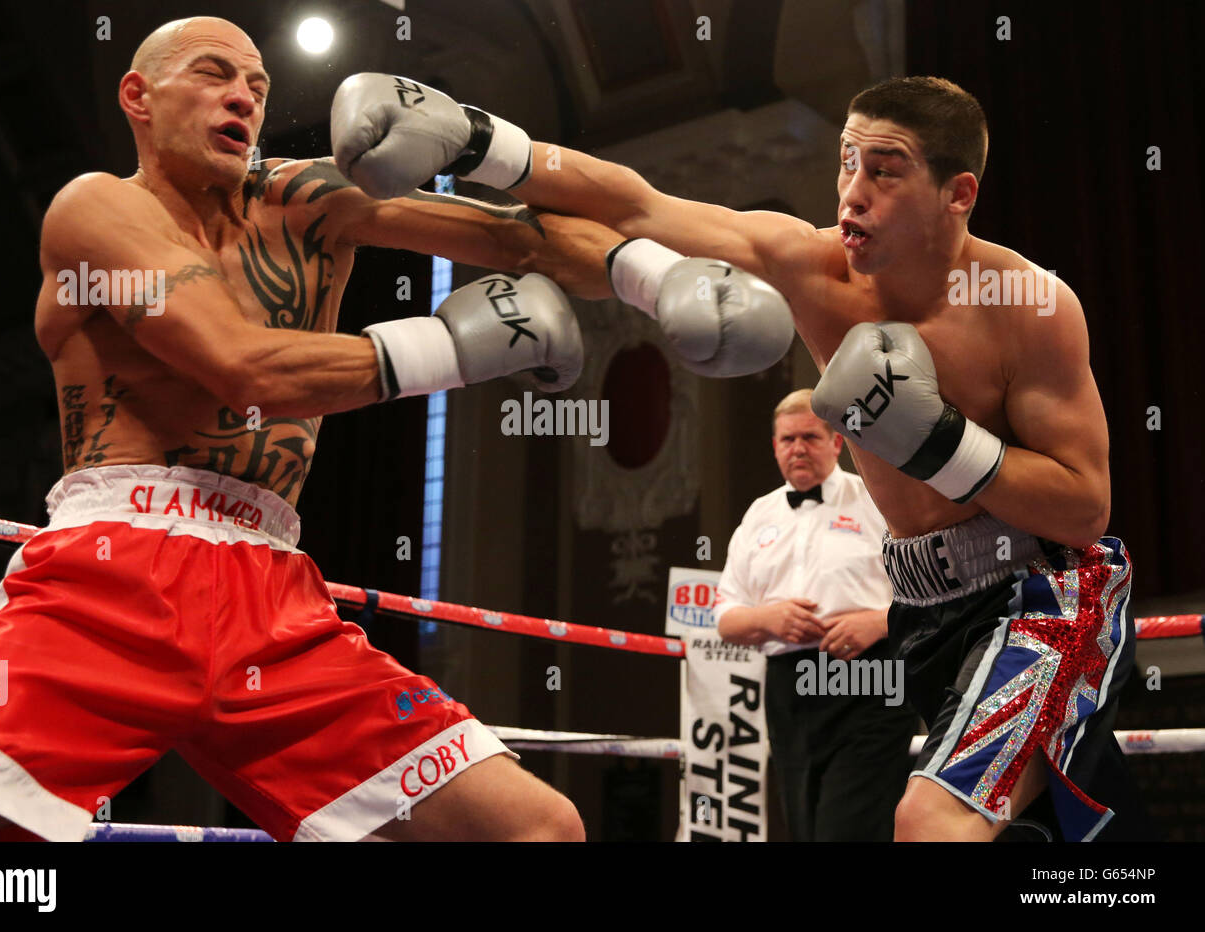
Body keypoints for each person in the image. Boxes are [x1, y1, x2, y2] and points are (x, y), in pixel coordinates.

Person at [0, 17, 792, 842]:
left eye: (254, 83)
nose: (242, 98)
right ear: (138, 97)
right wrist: (449, 346)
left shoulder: (307, 201)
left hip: (271, 593)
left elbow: (528, 240)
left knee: (538, 827)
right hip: (114, 571)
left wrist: (657, 278)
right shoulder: (95, 209)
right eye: (212, 75)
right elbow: (242, 367)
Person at [330, 73, 1153, 841]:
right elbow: (633, 201)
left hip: (1045, 593)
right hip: (922, 607)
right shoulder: (811, 265)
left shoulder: (1029, 307)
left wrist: (938, 440)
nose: (851, 192)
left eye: (886, 171)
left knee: (933, 821)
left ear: (958, 194)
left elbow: (1085, 507)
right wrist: (478, 142)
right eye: (845, 161)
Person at [715, 389, 915, 841]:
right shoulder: (758, 515)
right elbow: (725, 617)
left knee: (848, 828)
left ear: (837, 442)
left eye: (809, 436)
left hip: (871, 676)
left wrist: (877, 622)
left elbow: (935, 595)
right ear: (774, 446)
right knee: (805, 827)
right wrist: (768, 620)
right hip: (791, 685)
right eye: (787, 439)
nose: (798, 448)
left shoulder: (878, 500)